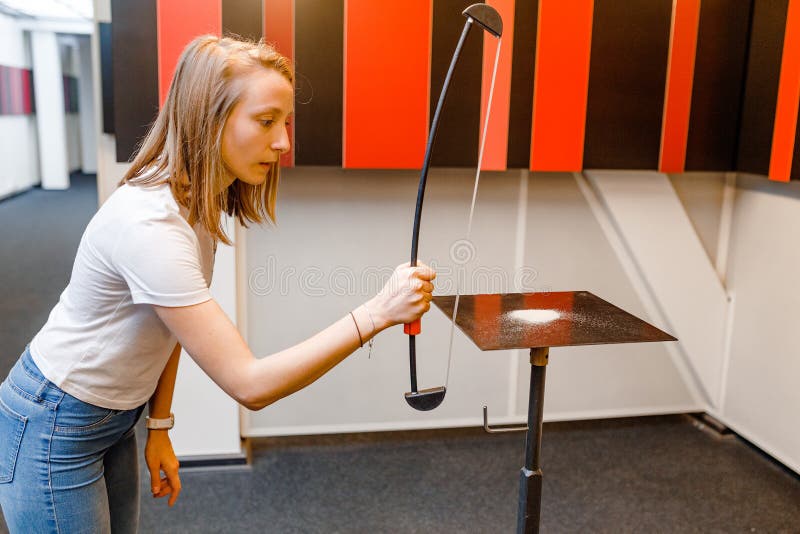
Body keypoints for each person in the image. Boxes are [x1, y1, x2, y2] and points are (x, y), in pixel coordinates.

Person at [0, 35, 435, 533]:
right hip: (53, 422)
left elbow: (171, 329)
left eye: (286, 123)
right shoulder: (152, 225)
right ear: (208, 119)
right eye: (266, 121)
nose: (283, 143)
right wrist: (378, 313)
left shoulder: (196, 204)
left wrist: (158, 426)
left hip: (113, 418)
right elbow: (250, 385)